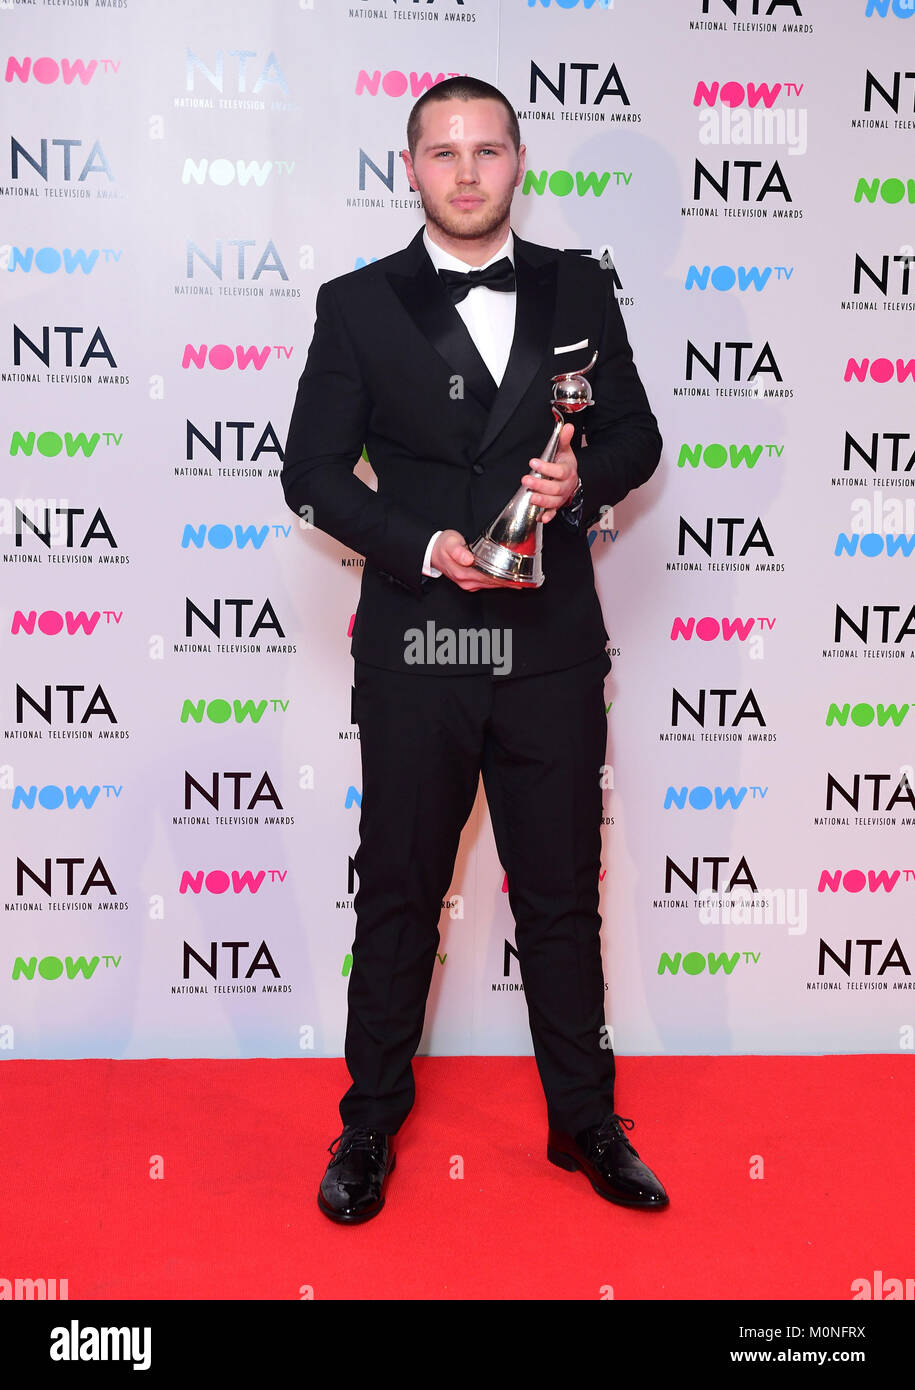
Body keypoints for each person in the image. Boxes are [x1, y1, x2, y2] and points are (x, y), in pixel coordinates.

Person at [282, 76, 667, 1223]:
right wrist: (423, 545)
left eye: (487, 149)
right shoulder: (357, 305)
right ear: (410, 167)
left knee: (559, 896)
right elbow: (309, 471)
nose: (465, 170)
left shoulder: (579, 285)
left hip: (550, 650)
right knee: (399, 890)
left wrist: (580, 479)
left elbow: (636, 434)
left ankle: (585, 1123)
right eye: (442, 151)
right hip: (418, 647)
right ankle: (367, 1126)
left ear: (518, 162)